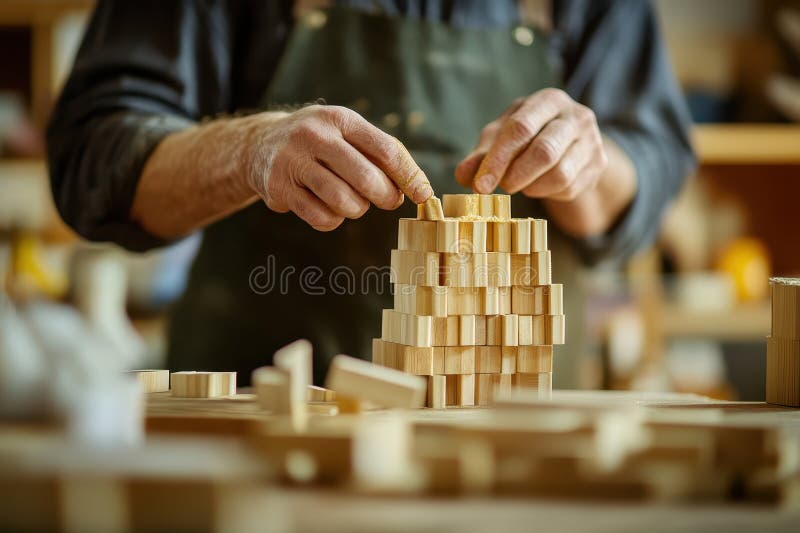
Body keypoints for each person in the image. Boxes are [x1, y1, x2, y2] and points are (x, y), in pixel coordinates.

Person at [47, 0, 695, 385]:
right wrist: (248, 152)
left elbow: (655, 158)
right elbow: (92, 150)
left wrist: (584, 163)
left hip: (515, 429)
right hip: (268, 419)